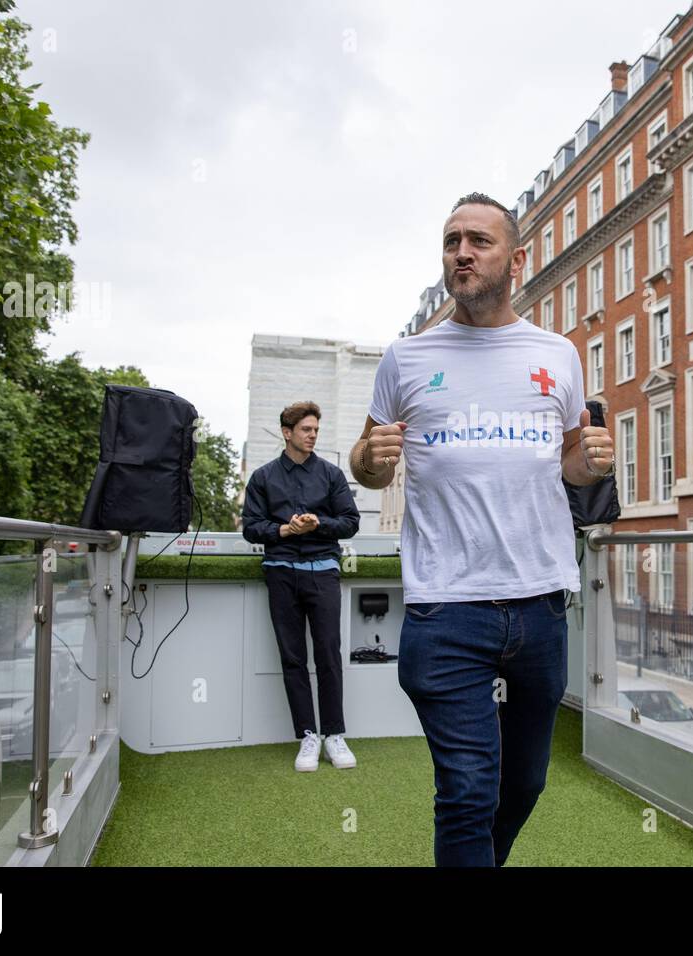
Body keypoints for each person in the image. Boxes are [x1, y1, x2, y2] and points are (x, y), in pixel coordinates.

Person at [349, 193, 615, 865]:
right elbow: (367, 460)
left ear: (516, 259)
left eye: (478, 241)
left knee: (523, 781)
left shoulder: (557, 354)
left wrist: (589, 460)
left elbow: (570, 463)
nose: (461, 252)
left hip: (540, 604)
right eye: (451, 241)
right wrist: (371, 461)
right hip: (445, 609)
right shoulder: (406, 359)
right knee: (468, 789)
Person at [242, 401, 361, 772]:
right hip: (280, 573)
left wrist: (317, 524)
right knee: (292, 657)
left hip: (323, 571)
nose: (312, 436)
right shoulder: (262, 478)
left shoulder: (331, 475)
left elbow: (350, 522)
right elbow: (250, 527)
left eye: (315, 430)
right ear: (287, 432)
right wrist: (284, 530)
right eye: (306, 430)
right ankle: (308, 736)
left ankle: (334, 735)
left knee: (328, 654)